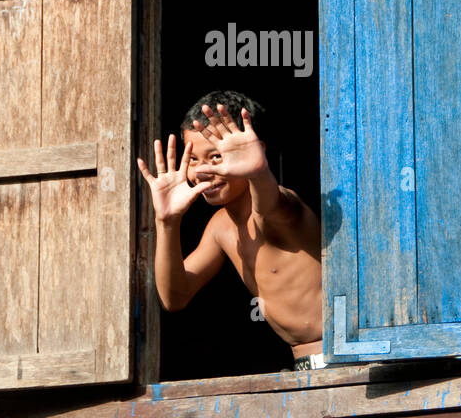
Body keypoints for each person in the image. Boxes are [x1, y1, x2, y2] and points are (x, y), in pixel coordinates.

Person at [137, 91, 324, 369]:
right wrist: (167, 222)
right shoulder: (220, 226)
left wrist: (258, 173)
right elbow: (174, 297)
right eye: (195, 160)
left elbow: (268, 204)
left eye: (215, 157)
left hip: (342, 360)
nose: (201, 172)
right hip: (304, 366)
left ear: (251, 151)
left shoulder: (284, 205)